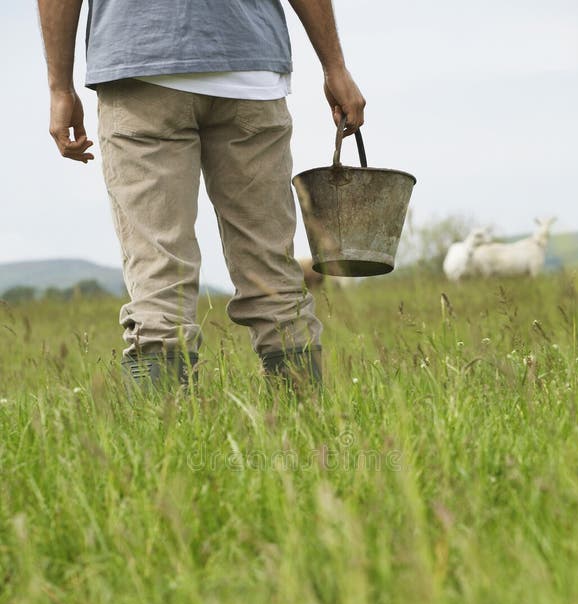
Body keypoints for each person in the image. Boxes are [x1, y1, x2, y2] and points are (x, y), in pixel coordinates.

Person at [37, 0, 366, 389]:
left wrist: (60, 87)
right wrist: (334, 66)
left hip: (140, 65)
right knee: (273, 276)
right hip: (249, 65)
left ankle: (161, 444)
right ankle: (308, 438)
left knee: (159, 284)